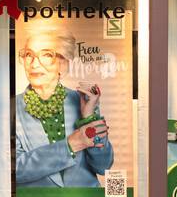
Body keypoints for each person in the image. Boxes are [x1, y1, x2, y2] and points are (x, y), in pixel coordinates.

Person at [13, 24, 113, 187]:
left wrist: (88, 117)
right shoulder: (11, 108)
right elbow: (14, 169)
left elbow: (103, 166)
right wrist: (69, 146)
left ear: (63, 63)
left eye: (46, 54)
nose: (34, 64)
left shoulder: (81, 100)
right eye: (28, 55)